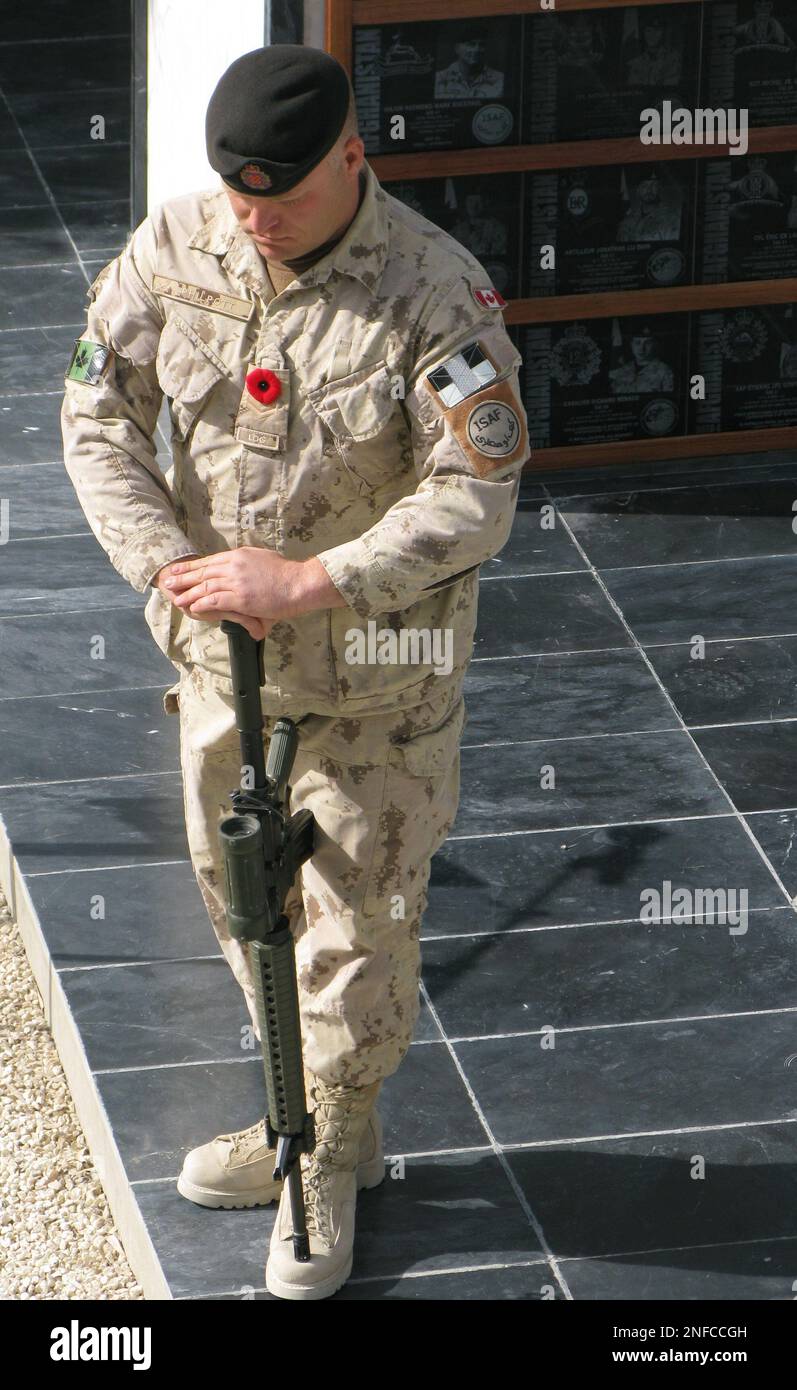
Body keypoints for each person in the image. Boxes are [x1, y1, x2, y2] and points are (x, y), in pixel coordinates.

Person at [60, 45, 529, 1300]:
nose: (256, 221)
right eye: (240, 198)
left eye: (284, 198)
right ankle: (327, 1115)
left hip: (378, 674)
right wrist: (172, 572)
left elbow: (477, 496)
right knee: (241, 905)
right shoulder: (178, 248)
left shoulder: (437, 292)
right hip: (226, 670)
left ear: (352, 158)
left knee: (354, 943)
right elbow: (96, 414)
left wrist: (311, 581)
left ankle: (317, 1153)